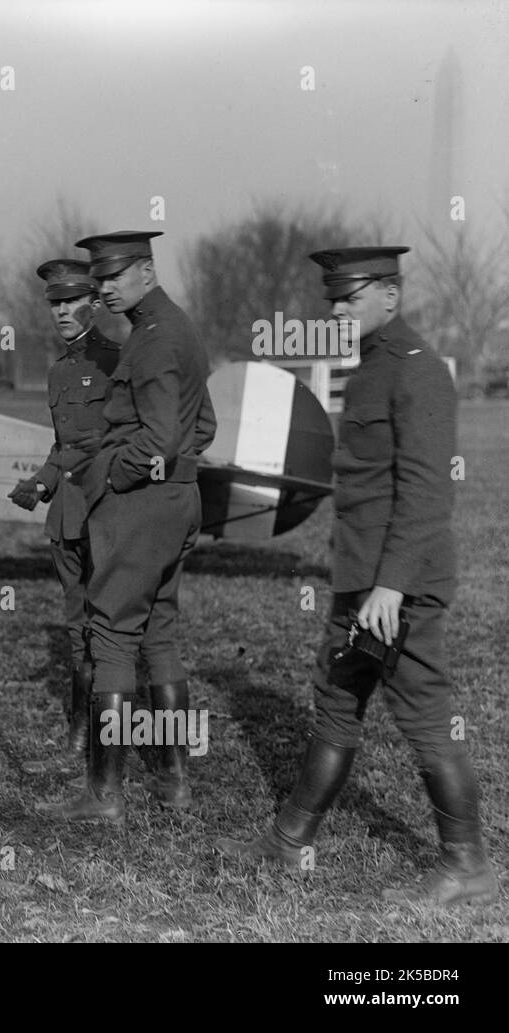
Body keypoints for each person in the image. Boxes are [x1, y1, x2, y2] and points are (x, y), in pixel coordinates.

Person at [218, 246, 498, 907]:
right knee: (336, 696)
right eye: (334, 300)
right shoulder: (369, 366)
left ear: (391, 296)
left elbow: (427, 493)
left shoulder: (417, 371)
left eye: (351, 297)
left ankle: (468, 867)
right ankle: (290, 839)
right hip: (360, 582)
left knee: (424, 715)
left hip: (399, 587)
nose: (338, 309)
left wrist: (391, 586)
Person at [37, 230, 215, 823]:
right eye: (101, 279)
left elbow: (159, 438)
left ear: (147, 271)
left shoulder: (153, 339)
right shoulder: (176, 328)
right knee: (159, 638)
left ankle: (104, 795)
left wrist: (113, 476)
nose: (106, 288)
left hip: (139, 504)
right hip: (180, 499)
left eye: (116, 276)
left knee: (111, 638)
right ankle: (175, 780)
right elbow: (203, 426)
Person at [9, 258, 119, 772]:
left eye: (72, 301)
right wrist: (40, 483)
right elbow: (64, 446)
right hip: (67, 518)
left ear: (95, 304)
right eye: (54, 303)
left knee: (110, 630)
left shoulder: (118, 363)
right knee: (78, 630)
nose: (61, 311)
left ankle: (111, 744)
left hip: (107, 515)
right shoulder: (58, 371)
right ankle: (80, 741)